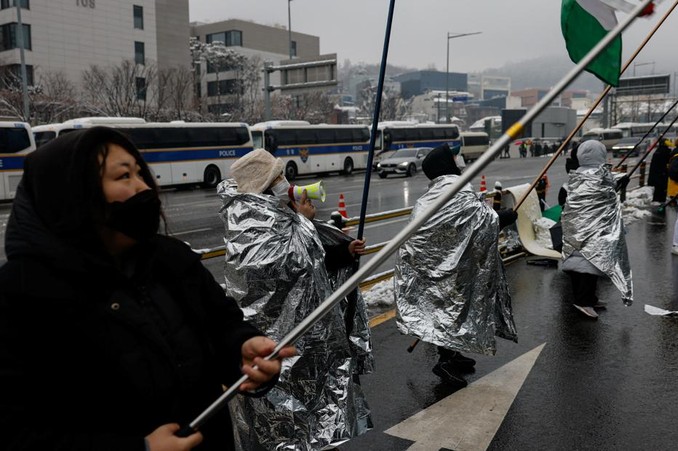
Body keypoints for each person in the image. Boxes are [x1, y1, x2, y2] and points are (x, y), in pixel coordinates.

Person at [0, 127, 293, 451]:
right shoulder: (19, 293)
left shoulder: (171, 258)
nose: (143, 187)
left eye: (141, 173)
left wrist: (243, 348)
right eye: (123, 176)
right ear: (72, 193)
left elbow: (223, 323)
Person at [218, 149, 372, 450]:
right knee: (285, 422)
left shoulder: (282, 219)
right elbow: (283, 268)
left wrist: (343, 251)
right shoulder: (253, 226)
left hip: (312, 339)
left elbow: (312, 263)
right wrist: (302, 223)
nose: (285, 183)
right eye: (277, 178)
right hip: (279, 347)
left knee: (317, 416)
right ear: (263, 186)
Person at [395, 144, 518, 388]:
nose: (458, 160)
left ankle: (452, 354)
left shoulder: (433, 195)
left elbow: (466, 223)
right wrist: (504, 217)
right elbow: (480, 224)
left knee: (447, 310)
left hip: (439, 267)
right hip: (447, 269)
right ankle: (444, 362)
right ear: (446, 164)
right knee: (449, 311)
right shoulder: (454, 192)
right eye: (453, 157)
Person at [561, 140, 633, 318]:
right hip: (591, 233)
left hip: (574, 231)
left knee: (579, 267)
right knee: (589, 267)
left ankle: (589, 299)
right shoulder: (600, 178)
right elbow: (605, 192)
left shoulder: (574, 176)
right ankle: (583, 302)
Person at [647, 138, 671, 203]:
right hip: (662, 173)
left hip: (656, 174)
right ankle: (660, 201)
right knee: (662, 189)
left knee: (658, 189)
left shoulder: (658, 151)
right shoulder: (665, 151)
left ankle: (657, 200)